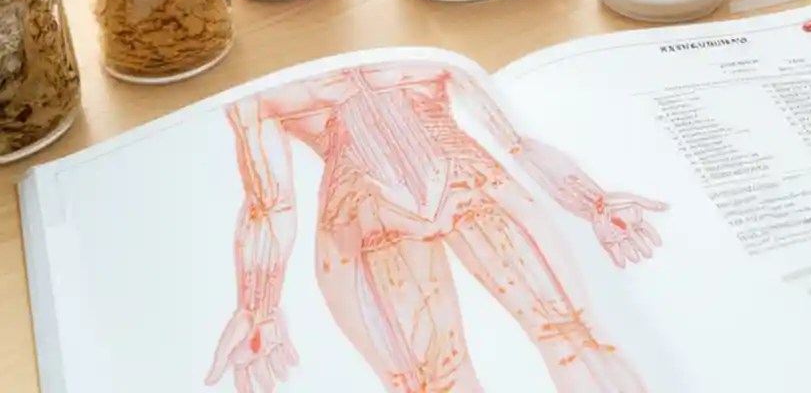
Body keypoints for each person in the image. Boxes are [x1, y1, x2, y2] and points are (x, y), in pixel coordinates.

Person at [203, 61, 666, 393]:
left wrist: (593, 202)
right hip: (369, 220)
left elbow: (514, 138)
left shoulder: (426, 53)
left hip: (467, 190)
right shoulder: (258, 93)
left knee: (572, 336)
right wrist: (257, 307)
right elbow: (269, 203)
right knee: (433, 381)